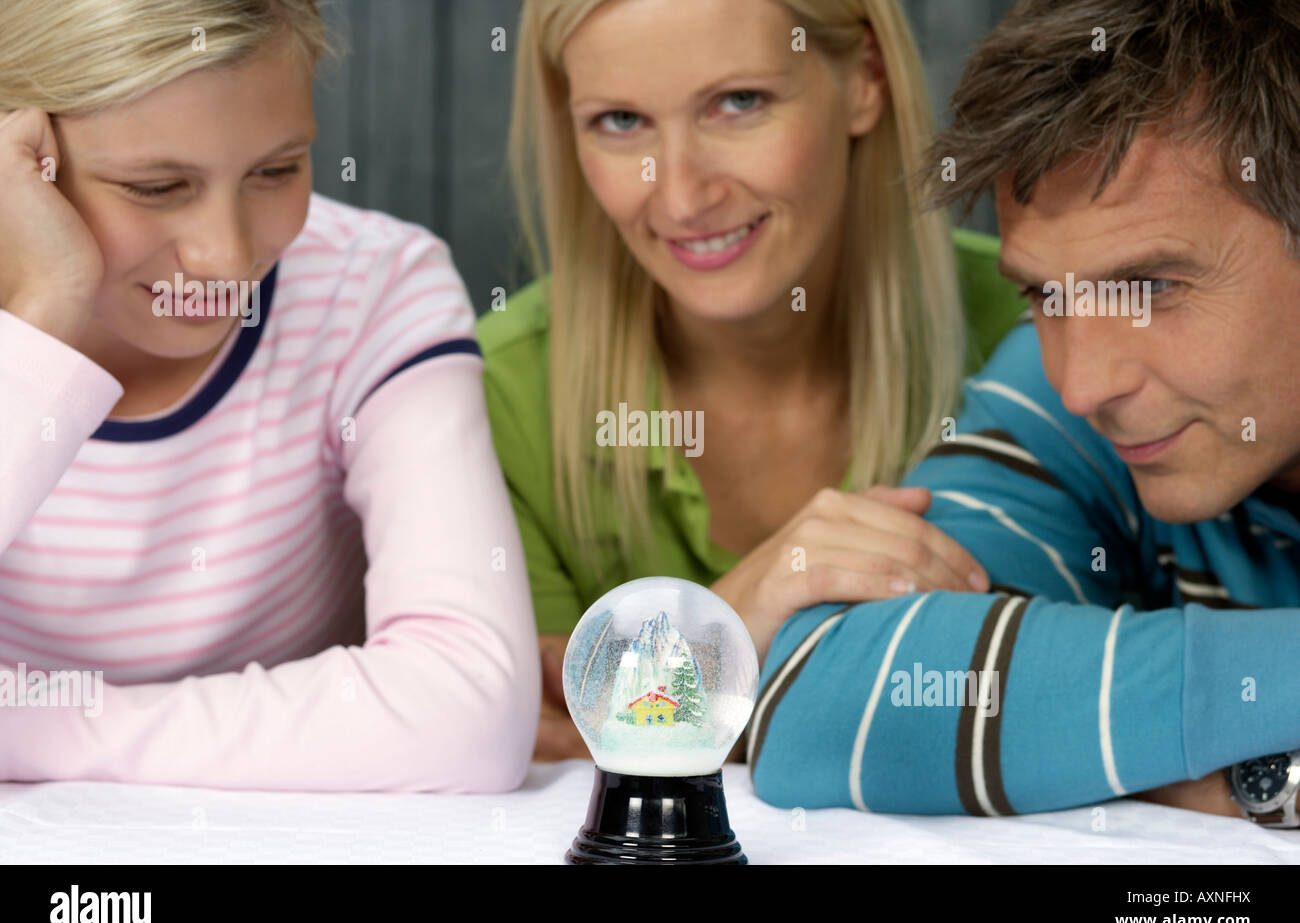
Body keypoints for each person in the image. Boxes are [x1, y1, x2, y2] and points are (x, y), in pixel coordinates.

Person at [749, 0, 1300, 821]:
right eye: (1044, 294)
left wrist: (1125, 743)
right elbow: (821, 704)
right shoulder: (1063, 399)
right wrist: (1260, 771)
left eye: (1152, 286)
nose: (1083, 385)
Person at [0, 0, 538, 791]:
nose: (226, 256)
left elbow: (473, 715)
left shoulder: (373, 289)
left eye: (276, 170)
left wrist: (27, 733)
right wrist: (43, 316)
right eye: (156, 186)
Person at [480, 0, 1028, 760]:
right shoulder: (495, 399)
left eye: (739, 103)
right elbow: (531, 744)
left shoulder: (1037, 333)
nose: (680, 196)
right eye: (619, 121)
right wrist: (731, 617)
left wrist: (657, 678)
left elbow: (596, 728)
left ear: (866, 78)